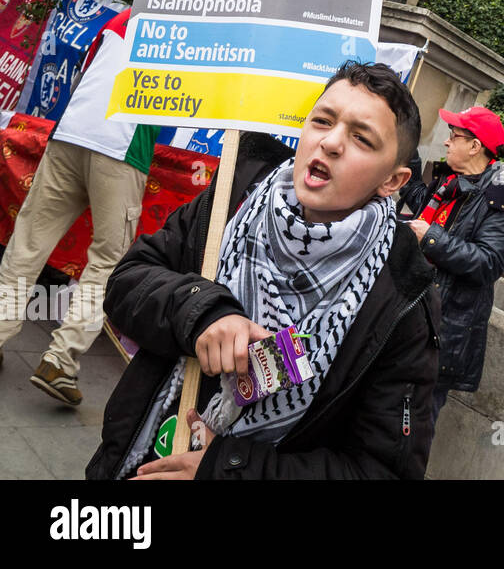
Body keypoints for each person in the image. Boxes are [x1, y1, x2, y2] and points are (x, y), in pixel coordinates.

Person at [86, 61, 440, 480]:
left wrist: (228, 471)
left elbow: (382, 469)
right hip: (134, 458)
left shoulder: (403, 295)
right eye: (322, 120)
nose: (330, 142)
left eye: (361, 138)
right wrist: (202, 312)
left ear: (393, 180)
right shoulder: (235, 195)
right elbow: (128, 282)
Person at [0, 7, 160, 406]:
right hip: (123, 148)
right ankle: (60, 361)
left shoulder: (122, 17)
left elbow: (87, 71)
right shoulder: (194, 36)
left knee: (28, 241)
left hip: (70, 133)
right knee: (107, 260)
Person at [401, 105, 504, 433]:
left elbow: (488, 263)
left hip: (440, 333)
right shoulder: (450, 183)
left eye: (454, 136)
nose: (446, 143)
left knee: (413, 431)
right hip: (407, 319)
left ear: (475, 146)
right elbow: (418, 198)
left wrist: (429, 237)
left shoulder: (500, 195)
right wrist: (405, 150)